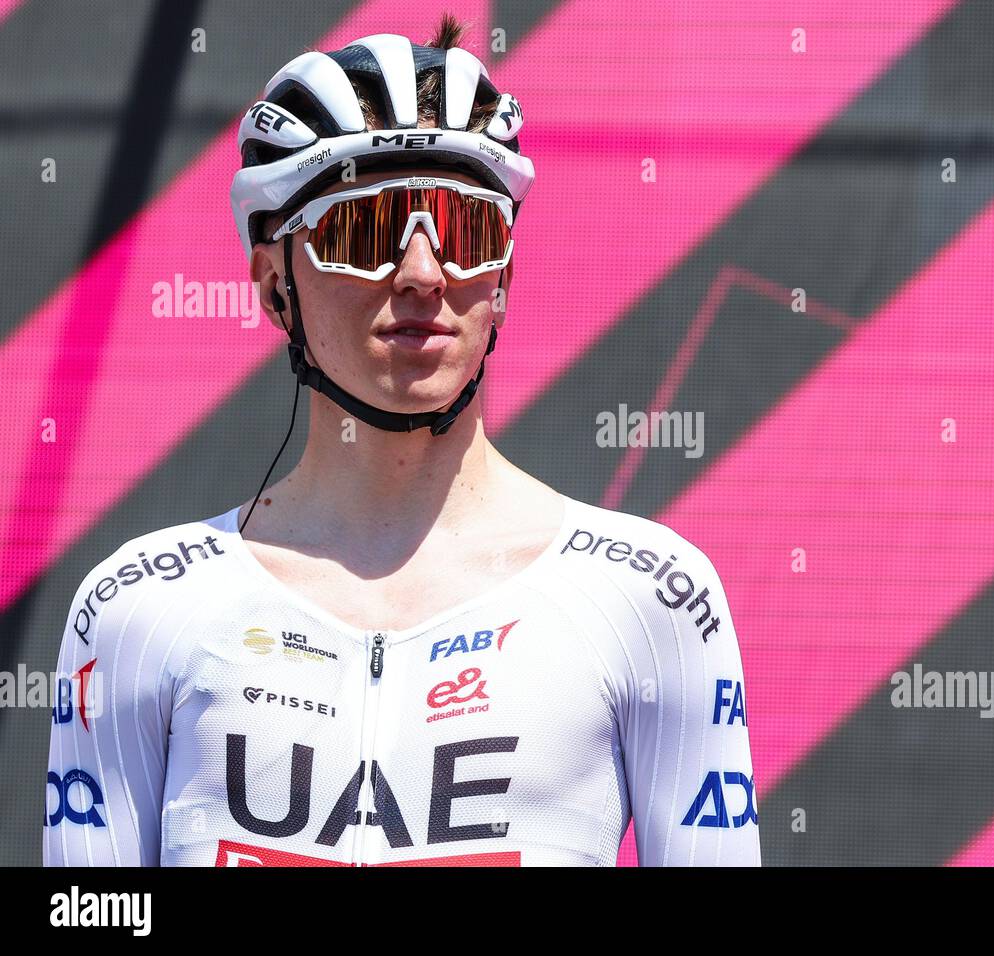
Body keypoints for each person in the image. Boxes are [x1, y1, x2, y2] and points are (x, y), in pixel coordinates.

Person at [44, 16, 759, 867]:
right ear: (276, 283)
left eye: (465, 229)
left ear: (504, 271)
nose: (424, 274)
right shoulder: (135, 612)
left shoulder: (652, 600)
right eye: (366, 230)